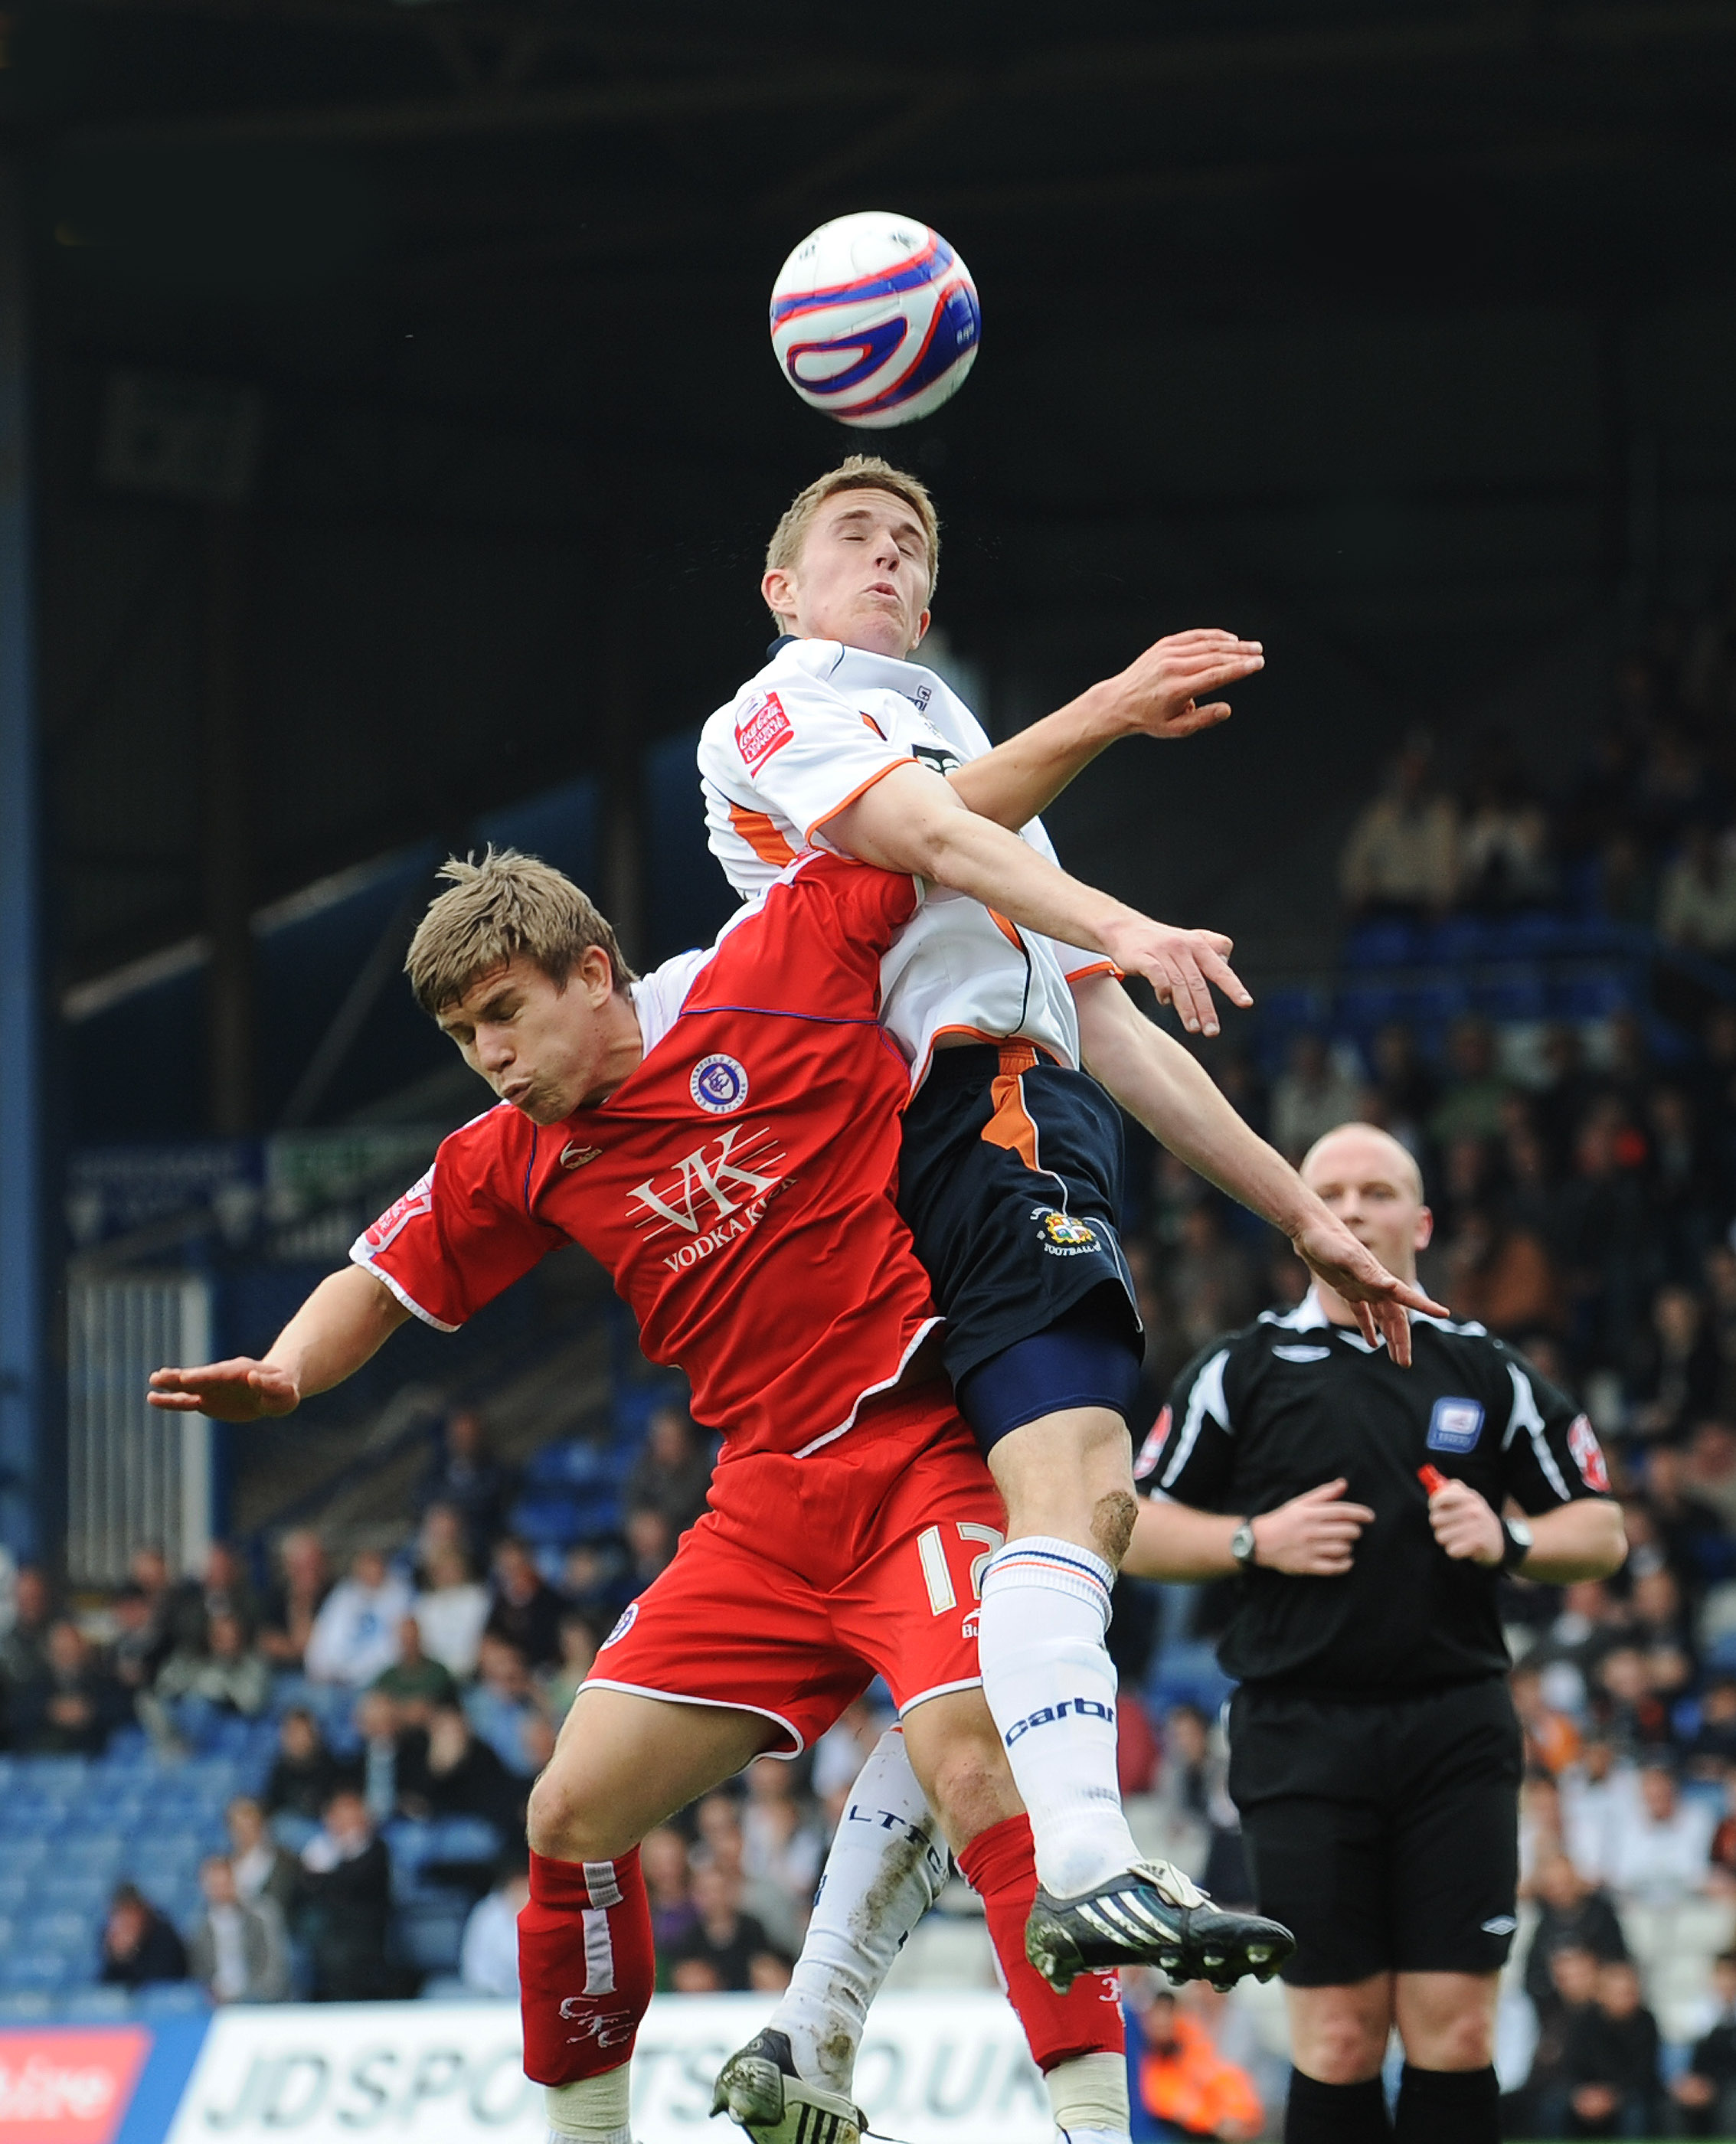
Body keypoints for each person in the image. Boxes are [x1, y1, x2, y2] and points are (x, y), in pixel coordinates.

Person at [149, 845, 1251, 2144]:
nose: (488, 1055)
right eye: (461, 1036)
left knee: (976, 1767)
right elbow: (380, 1277)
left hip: (917, 1460)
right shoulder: (516, 1153)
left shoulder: (766, 970)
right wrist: (283, 1372)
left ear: (593, 974)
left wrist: (1109, 715)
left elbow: (940, 817)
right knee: (568, 1809)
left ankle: (1088, 2126)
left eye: (503, 1013)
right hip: (762, 1516)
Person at [694, 453, 1431, 2019]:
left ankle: (813, 2020)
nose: (886, 557)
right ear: (781, 587)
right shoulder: (780, 708)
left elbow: (1101, 1017)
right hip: (950, 1125)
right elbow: (929, 838)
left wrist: (1303, 1213)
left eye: (910, 542)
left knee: (975, 1629)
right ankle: (1091, 1846)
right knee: (1081, 1492)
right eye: (852, 538)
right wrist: (1109, 785)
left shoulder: (946, 727)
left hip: (980, 1123)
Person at [1123, 1122, 1627, 2144]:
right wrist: (1251, 1538)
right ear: (1293, 1215)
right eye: (1330, 1191)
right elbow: (1132, 1526)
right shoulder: (1240, 1370)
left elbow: (1601, 1529)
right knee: (1340, 2038)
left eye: (1378, 1191)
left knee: (1452, 2030)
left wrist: (1510, 1533)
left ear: (1421, 1219)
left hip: (1454, 1733)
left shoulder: (1483, 1371)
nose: (1352, 1210)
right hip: (1299, 1736)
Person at [296, 1786, 395, 2002]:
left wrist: (326, 1878)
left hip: (366, 1932)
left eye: (351, 1814)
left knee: (342, 1956)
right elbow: (305, 1889)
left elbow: (354, 1883)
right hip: (327, 1928)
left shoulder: (378, 1849)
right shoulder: (319, 1848)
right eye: (340, 1815)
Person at [1561, 1959, 1661, 2139]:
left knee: (1636, 2110)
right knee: (1555, 2107)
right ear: (1602, 1994)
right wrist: (1582, 2093)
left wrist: (1611, 2096)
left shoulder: (1646, 2022)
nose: (1626, 1999)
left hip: (1627, 2095)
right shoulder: (1583, 2022)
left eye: (1629, 1993)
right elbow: (1572, 2066)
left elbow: (1643, 2072)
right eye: (1618, 1993)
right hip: (1587, 2094)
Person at [187, 1852, 290, 2004]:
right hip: (215, 2006)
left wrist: (247, 1997)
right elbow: (199, 1975)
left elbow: (274, 1972)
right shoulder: (198, 1929)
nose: (220, 1890)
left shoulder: (262, 1917)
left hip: (260, 2003)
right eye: (214, 1885)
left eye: (224, 1883)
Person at [304, 1547, 411, 1687]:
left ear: (383, 1567)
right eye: (364, 1567)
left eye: (374, 1566)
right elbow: (323, 1637)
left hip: (376, 1683)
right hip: (333, 1681)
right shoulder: (344, 1594)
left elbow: (394, 1649)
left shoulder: (401, 1596)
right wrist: (320, 1670)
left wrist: (354, 1674)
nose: (369, 1572)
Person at [460, 1850, 532, 1999]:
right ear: (508, 1885)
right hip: (492, 2000)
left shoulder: (546, 1915)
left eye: (526, 1885)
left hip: (537, 1997)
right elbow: (474, 1966)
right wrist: (499, 1990)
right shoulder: (487, 1913)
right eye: (517, 1886)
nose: (522, 1892)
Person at [99, 1882, 189, 1989]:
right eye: (121, 1914)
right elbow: (109, 1984)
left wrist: (132, 1952)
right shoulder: (111, 1935)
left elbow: (162, 1979)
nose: (127, 1920)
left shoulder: (163, 1934)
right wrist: (118, 1958)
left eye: (131, 1913)